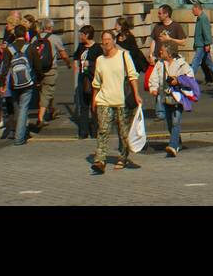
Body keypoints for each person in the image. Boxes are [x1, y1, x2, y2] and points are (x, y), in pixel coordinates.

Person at [91, 28, 141, 173]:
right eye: (103, 40)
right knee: (103, 130)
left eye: (108, 40)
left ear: (113, 41)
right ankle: (100, 160)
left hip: (122, 100)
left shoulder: (124, 56)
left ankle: (123, 157)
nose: (105, 42)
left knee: (123, 133)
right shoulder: (100, 60)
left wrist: (136, 95)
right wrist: (94, 99)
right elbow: (96, 82)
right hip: (104, 100)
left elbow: (133, 76)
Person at [148, 42, 198, 157]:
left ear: (169, 54)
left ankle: (173, 146)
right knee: (170, 123)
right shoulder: (160, 64)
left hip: (178, 97)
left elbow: (190, 77)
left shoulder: (182, 64)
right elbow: (154, 77)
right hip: (165, 97)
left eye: (162, 50)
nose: (160, 52)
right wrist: (153, 88)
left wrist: (178, 81)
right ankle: (177, 142)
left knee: (176, 121)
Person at [7, 33, 43, 145]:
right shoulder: (31, 47)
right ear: (25, 35)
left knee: (17, 107)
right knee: (24, 108)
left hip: (14, 83)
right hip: (28, 82)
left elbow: (4, 67)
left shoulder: (9, 48)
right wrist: (39, 79)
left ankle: (18, 131)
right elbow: (38, 66)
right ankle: (19, 137)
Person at [36, 18, 69, 129]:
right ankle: (40, 118)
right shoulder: (55, 38)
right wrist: (68, 63)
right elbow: (63, 55)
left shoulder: (34, 38)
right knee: (47, 92)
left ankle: (52, 109)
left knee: (45, 91)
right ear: (50, 27)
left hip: (37, 70)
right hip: (50, 69)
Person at [73, 25, 99, 139]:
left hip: (93, 79)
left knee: (94, 106)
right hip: (83, 79)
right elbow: (75, 57)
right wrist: (76, 64)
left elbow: (101, 63)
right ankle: (83, 132)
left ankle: (94, 131)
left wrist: (90, 63)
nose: (80, 36)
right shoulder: (81, 46)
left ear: (87, 35)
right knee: (83, 105)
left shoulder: (97, 48)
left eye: (82, 34)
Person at [190, 3, 213, 84]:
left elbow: (206, 31)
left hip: (202, 45)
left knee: (195, 62)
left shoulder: (203, 18)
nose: (192, 12)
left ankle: (188, 79)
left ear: (197, 8)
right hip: (201, 44)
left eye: (193, 10)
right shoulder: (200, 18)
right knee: (210, 63)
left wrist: (207, 44)